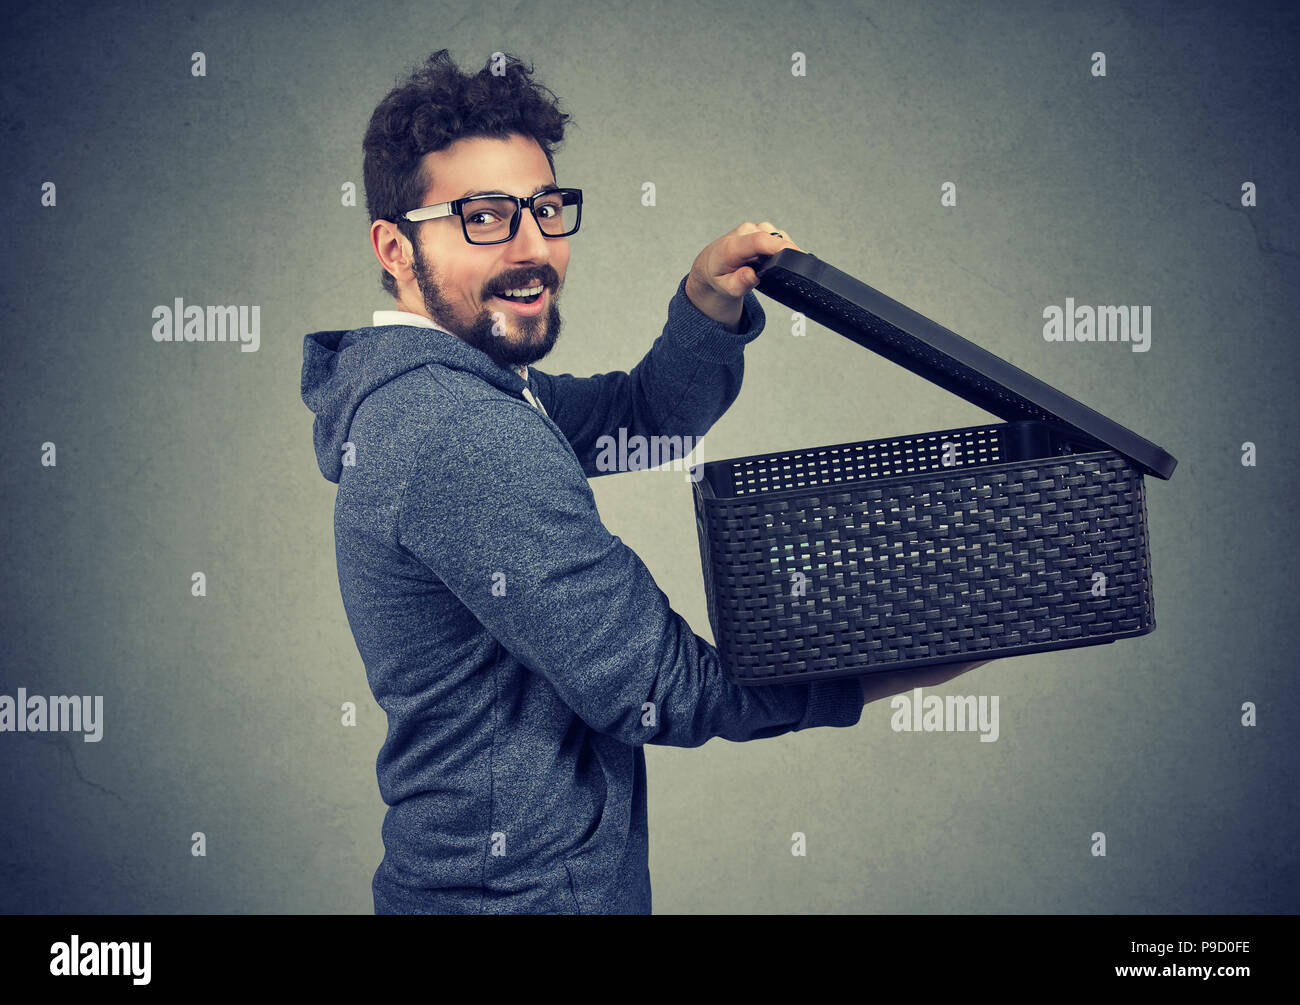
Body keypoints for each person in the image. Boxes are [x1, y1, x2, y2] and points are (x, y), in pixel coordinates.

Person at [300, 49, 992, 914]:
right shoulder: (460, 431)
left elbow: (641, 422)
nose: (533, 249)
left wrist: (707, 301)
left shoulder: (458, 391)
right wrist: (916, 651)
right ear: (395, 246)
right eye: (484, 217)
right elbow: (664, 688)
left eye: (546, 210)